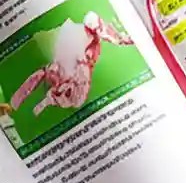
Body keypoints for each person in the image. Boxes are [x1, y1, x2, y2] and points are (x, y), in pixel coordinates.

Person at [4, 12, 134, 117]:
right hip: (70, 62)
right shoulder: (77, 74)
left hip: (66, 64)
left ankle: (19, 104)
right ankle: (19, 103)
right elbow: (93, 22)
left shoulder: (68, 78)